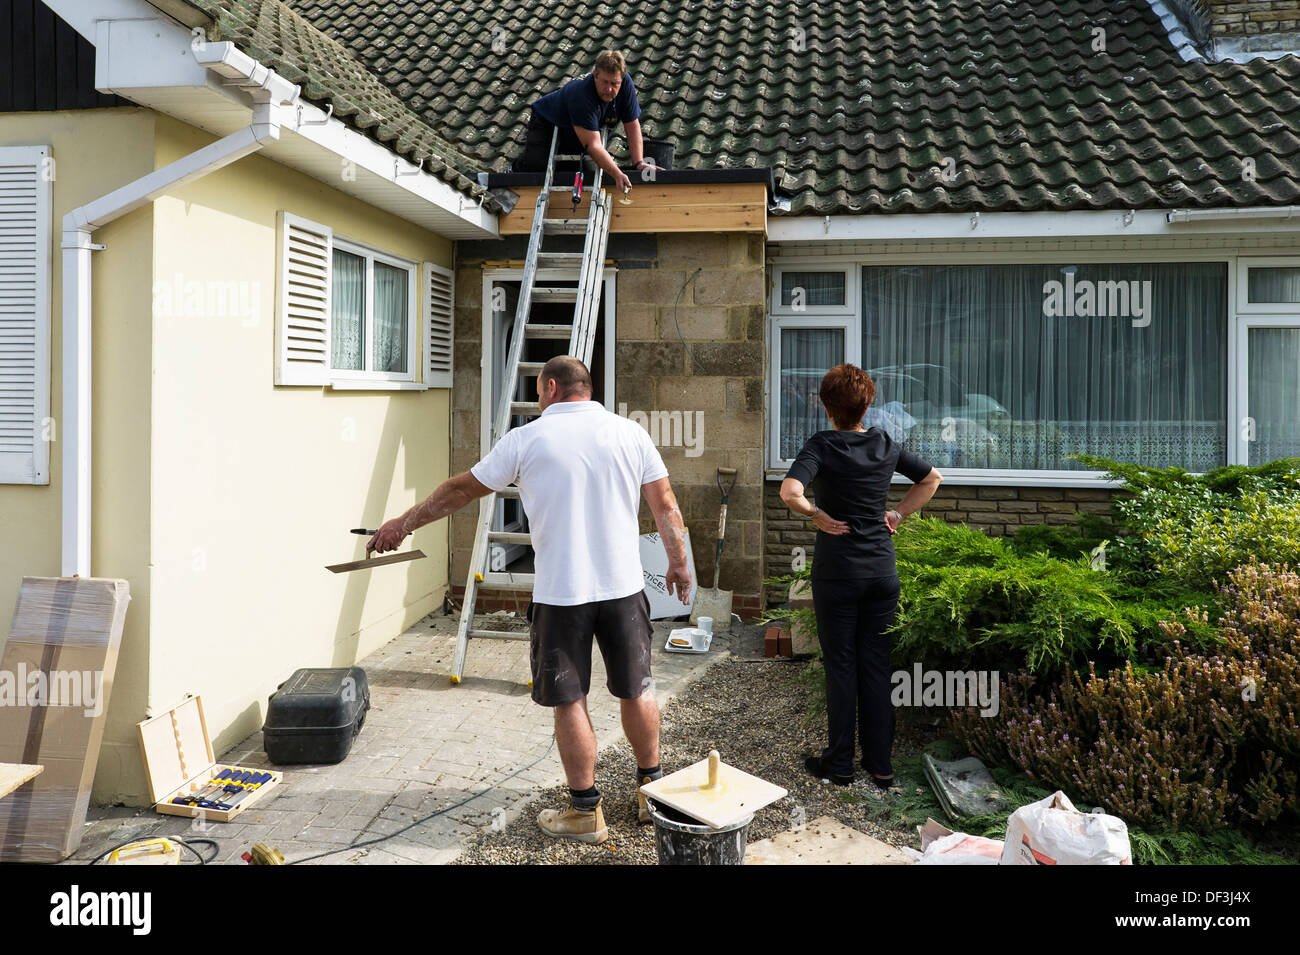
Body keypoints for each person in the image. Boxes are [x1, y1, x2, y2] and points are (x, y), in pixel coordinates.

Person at [367, 356, 691, 843]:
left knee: (571, 698)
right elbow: (665, 506)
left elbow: (459, 491)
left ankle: (586, 813)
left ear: (553, 387)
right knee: (637, 688)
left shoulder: (527, 440)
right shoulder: (631, 433)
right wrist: (679, 564)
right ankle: (652, 793)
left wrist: (401, 524)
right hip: (624, 589)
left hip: (563, 595)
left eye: (538, 391)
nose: (538, 399)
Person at [779, 364, 942, 789]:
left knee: (841, 667)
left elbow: (789, 492)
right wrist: (897, 515)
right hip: (881, 573)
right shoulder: (885, 443)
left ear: (826, 406)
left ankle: (840, 765)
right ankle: (881, 765)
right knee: (876, 666)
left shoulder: (823, 445)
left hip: (838, 575)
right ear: (867, 404)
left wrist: (817, 515)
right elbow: (932, 478)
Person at [510, 49, 657, 195]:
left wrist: (639, 163)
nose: (609, 89)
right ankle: (512, 171)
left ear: (621, 80)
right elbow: (593, 145)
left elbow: (632, 125)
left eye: (614, 84)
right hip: (547, 123)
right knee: (535, 170)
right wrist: (617, 174)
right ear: (595, 76)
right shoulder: (581, 95)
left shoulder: (626, 85)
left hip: (578, 130)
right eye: (605, 82)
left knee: (583, 175)